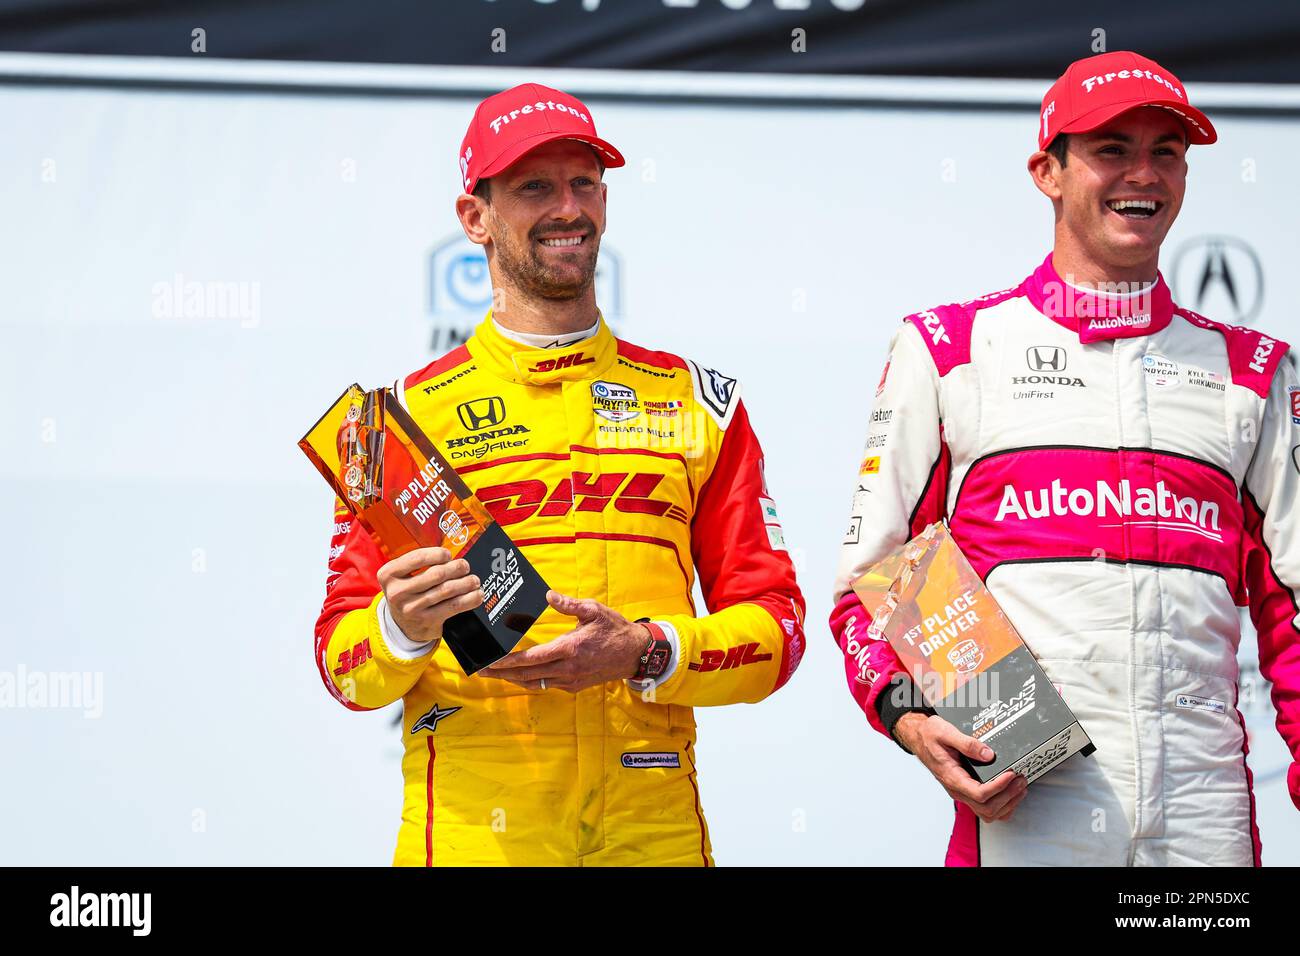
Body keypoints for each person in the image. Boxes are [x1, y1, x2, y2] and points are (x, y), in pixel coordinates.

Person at [315, 83, 806, 866]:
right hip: (475, 828)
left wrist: (649, 650)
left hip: (654, 825)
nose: (567, 208)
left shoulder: (699, 403)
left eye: (584, 183)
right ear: (474, 217)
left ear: (606, 203)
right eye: (534, 187)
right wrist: (399, 631)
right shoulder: (391, 423)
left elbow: (777, 631)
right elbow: (343, 665)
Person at [831, 51, 1300, 866]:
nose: (1142, 175)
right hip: (1032, 792)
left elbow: (1292, 605)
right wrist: (911, 718)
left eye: (1166, 152)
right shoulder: (950, 349)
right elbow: (873, 586)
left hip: (1206, 803)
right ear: (1047, 171)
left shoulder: (1253, 370)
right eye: (1112, 149)